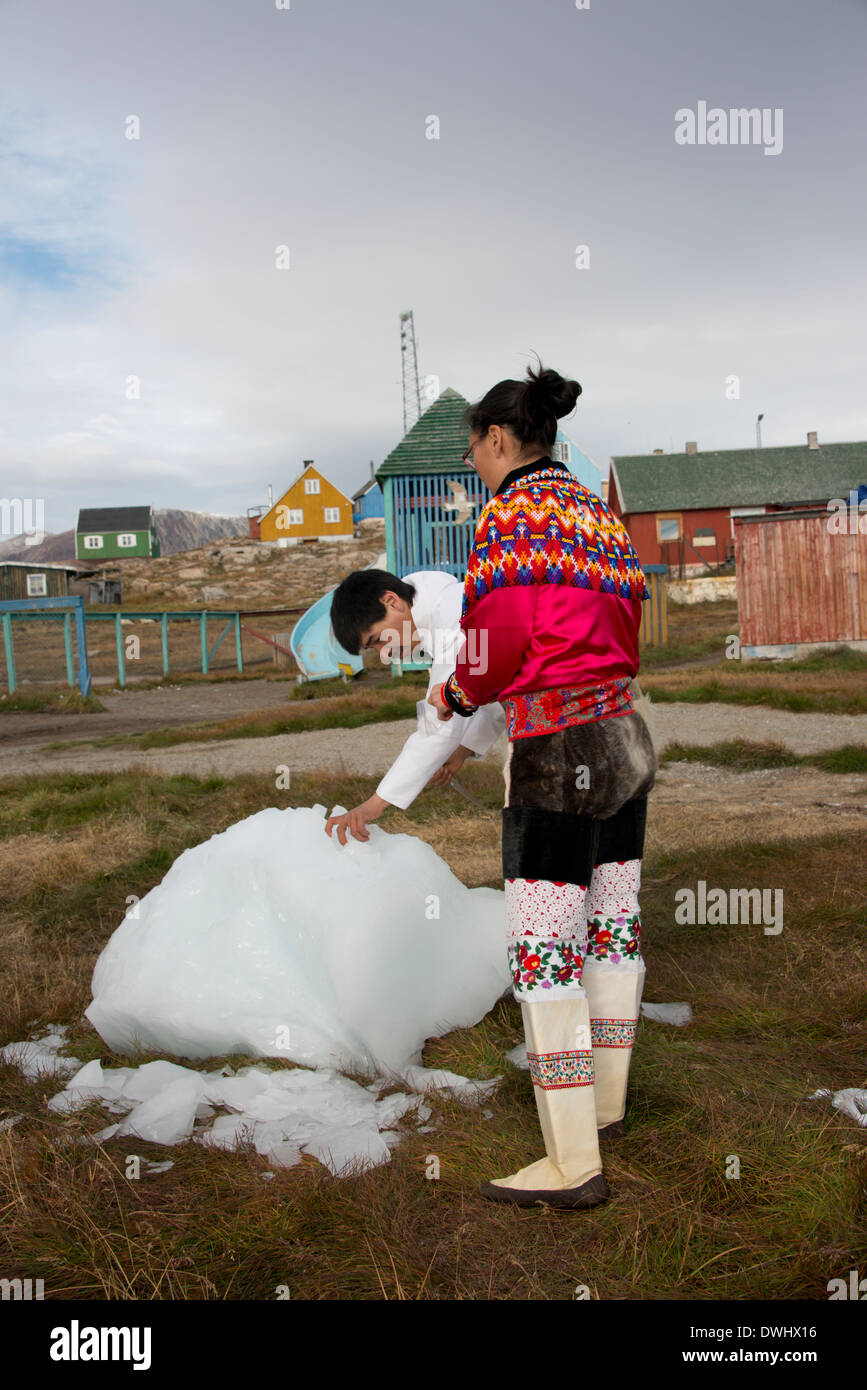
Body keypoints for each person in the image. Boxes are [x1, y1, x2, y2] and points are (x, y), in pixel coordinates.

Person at [428, 358, 657, 1210]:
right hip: (625, 736)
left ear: (496, 439)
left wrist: (450, 694)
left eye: (474, 455)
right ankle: (603, 1106)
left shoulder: (509, 519)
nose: (475, 472)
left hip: (556, 752)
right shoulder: (598, 514)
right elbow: (628, 616)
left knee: (547, 951)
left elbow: (500, 647)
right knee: (612, 929)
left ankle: (570, 1163)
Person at [324, 568, 506, 844]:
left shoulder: (453, 614)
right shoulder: (443, 612)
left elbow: (439, 726)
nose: (383, 652)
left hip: (568, 711)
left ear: (392, 601)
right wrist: (460, 752)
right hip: (562, 711)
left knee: (536, 836)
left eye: (377, 640)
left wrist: (373, 805)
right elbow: (492, 697)